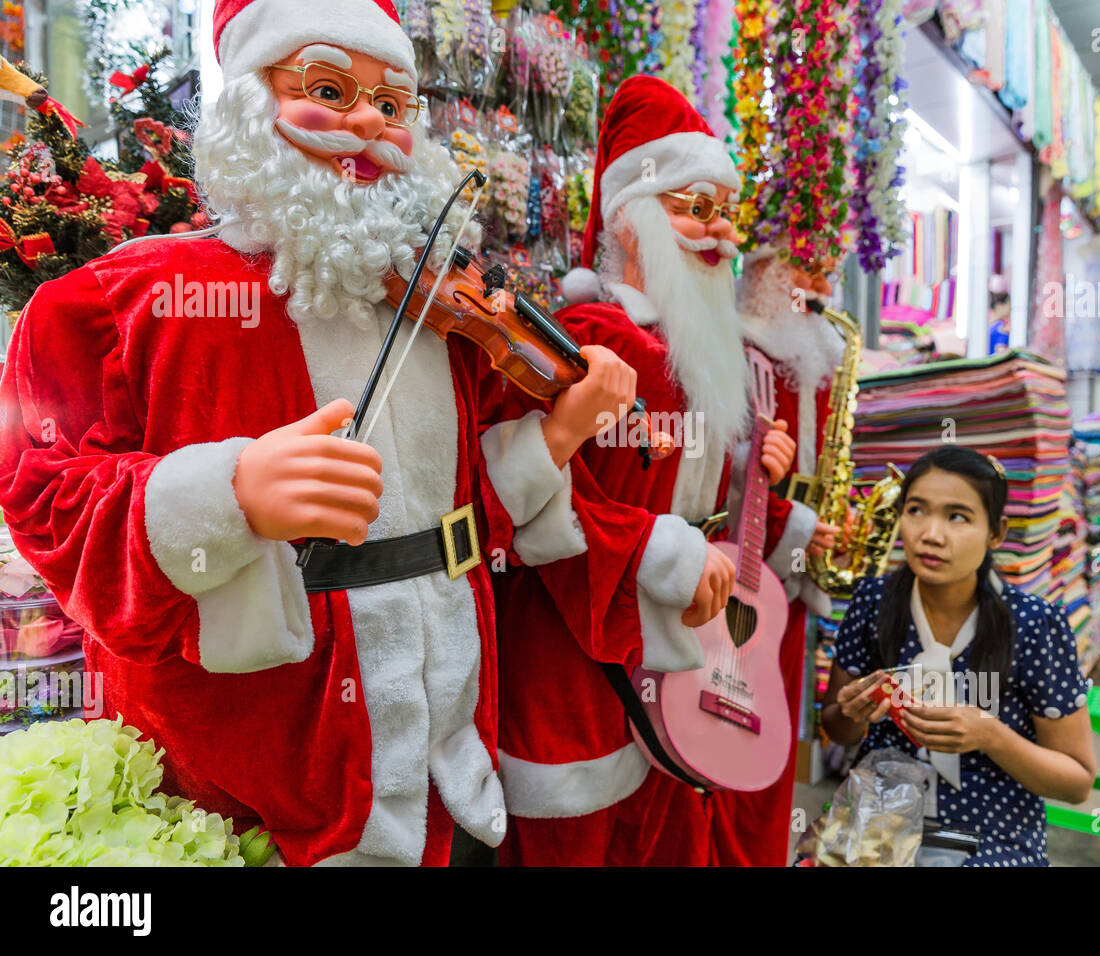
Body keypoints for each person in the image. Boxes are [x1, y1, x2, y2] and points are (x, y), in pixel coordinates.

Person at [0, 0, 643, 866]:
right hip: (264, 781)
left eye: (392, 102)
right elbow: (41, 494)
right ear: (251, 103)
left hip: (455, 760)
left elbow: (467, 517)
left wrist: (555, 437)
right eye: (331, 90)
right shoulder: (132, 298)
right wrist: (222, 498)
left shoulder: (433, 314)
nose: (369, 123)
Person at [493, 76, 826, 866]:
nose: (716, 234)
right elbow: (535, 506)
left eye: (724, 211)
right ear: (632, 220)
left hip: (687, 674)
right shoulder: (586, 342)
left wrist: (762, 494)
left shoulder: (704, 354)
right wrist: (665, 557)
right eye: (692, 208)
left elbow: (704, 512)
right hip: (581, 685)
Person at [821, 446, 1096, 866]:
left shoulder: (1035, 625)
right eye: (916, 510)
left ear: (996, 533)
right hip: (880, 823)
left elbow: (1076, 782)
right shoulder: (873, 604)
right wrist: (854, 711)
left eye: (957, 516)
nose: (931, 534)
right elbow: (838, 730)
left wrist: (991, 735)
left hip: (990, 833)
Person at [716, 245, 845, 866]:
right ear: (765, 273)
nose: (822, 285)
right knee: (722, 747)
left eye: (829, 271)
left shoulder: (810, 355)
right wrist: (795, 523)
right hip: (733, 591)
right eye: (809, 267)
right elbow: (716, 475)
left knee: (771, 750)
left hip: (788, 588)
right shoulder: (738, 355)